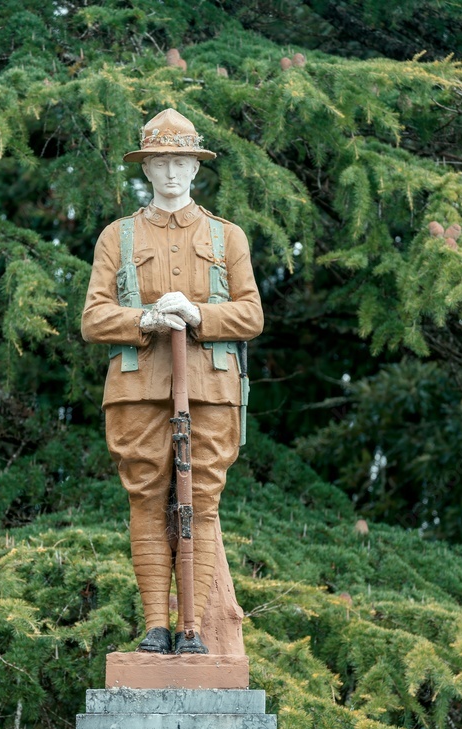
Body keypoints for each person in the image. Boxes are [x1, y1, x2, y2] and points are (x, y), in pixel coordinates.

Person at [81, 109, 263, 655]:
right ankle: (155, 627)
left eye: (181, 161)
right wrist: (146, 320)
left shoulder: (228, 237)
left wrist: (199, 313)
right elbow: (93, 318)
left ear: (196, 167)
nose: (171, 172)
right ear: (146, 168)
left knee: (201, 503)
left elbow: (251, 314)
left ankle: (193, 631)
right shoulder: (117, 236)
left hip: (212, 388)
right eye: (161, 161)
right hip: (137, 388)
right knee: (146, 500)